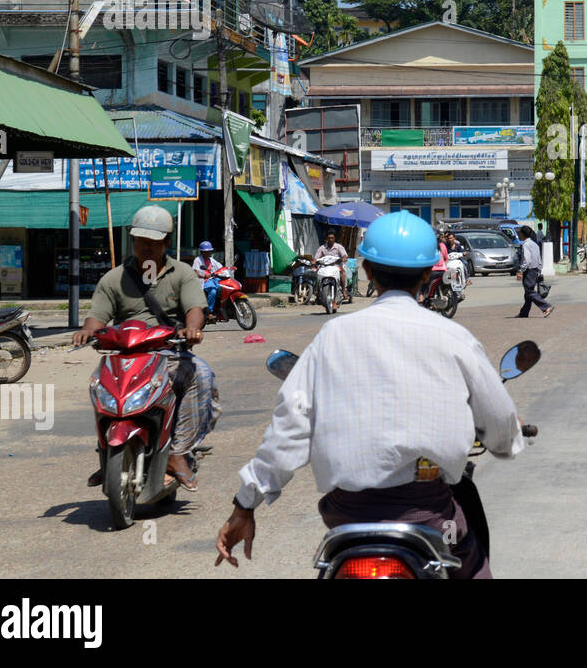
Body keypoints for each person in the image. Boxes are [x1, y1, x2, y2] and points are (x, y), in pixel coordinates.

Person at [215, 212, 523, 578]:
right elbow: (499, 420)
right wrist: (509, 441)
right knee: (472, 565)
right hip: (429, 512)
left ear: (366, 270)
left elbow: (290, 430)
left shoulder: (333, 335)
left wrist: (244, 506)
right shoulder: (453, 338)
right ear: (428, 274)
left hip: (346, 515)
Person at [72, 205, 213, 491]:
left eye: (153, 242)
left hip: (167, 352)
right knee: (97, 384)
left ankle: (178, 453)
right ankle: (106, 453)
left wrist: (192, 329)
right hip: (125, 355)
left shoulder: (183, 273)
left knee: (201, 375)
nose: (146, 247)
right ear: (132, 240)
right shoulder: (114, 278)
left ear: (166, 243)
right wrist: (87, 330)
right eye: (140, 241)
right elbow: (97, 315)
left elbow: (194, 308)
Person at [515, 225, 552, 318]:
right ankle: (524, 312)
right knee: (528, 294)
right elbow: (539, 258)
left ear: (523, 234)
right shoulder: (534, 244)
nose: (519, 235)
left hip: (529, 270)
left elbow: (526, 260)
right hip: (535, 270)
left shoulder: (526, 245)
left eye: (520, 233)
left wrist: (521, 271)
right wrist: (539, 270)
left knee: (530, 291)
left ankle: (546, 306)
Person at [192, 241, 227, 317]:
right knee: (213, 291)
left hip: (213, 279)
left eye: (209, 251)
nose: (208, 253)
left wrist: (226, 270)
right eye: (206, 251)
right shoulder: (197, 260)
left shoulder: (212, 260)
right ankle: (209, 311)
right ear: (202, 252)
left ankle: (221, 308)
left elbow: (220, 267)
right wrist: (204, 276)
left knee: (225, 287)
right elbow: (196, 273)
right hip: (204, 281)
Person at [315, 230, 349, 307]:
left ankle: (343, 291)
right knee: (316, 274)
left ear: (334, 239)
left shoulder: (339, 247)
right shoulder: (322, 248)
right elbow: (316, 257)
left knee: (342, 274)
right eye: (329, 238)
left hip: (336, 266)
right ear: (326, 239)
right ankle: (317, 293)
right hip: (325, 267)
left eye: (332, 238)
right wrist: (314, 261)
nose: (330, 239)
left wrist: (343, 258)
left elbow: (344, 256)